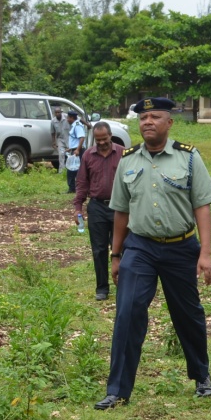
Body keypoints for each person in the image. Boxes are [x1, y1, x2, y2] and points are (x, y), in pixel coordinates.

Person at [95, 97, 211, 411]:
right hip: (141, 247)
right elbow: (120, 212)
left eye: (154, 117)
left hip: (181, 246)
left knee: (187, 314)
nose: (148, 122)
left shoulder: (189, 158)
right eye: (143, 117)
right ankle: (117, 391)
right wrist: (116, 255)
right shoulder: (129, 159)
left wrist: (205, 254)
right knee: (127, 312)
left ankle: (201, 376)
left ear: (169, 123)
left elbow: (202, 207)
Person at [72, 122, 122, 301]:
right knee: (99, 250)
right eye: (98, 139)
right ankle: (102, 288)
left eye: (105, 139)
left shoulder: (124, 153)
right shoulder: (88, 155)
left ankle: (123, 285)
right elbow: (82, 183)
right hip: (97, 207)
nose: (101, 142)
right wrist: (78, 207)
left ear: (111, 136)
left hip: (120, 208)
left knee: (121, 248)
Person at [65, 111, 85, 193]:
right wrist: (71, 148)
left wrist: (77, 149)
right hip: (75, 150)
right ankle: (73, 188)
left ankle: (74, 188)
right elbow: (76, 139)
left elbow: (82, 138)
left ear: (72, 118)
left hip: (78, 151)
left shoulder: (77, 126)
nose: (67, 119)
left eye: (68, 118)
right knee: (73, 170)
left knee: (74, 170)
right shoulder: (75, 125)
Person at [51, 106, 66, 177]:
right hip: (60, 139)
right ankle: (61, 172)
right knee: (61, 154)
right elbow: (53, 133)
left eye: (58, 112)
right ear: (54, 113)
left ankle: (71, 171)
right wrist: (54, 142)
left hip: (68, 138)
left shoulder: (66, 117)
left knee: (70, 155)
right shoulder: (53, 121)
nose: (57, 114)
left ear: (61, 112)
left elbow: (77, 120)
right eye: (56, 113)